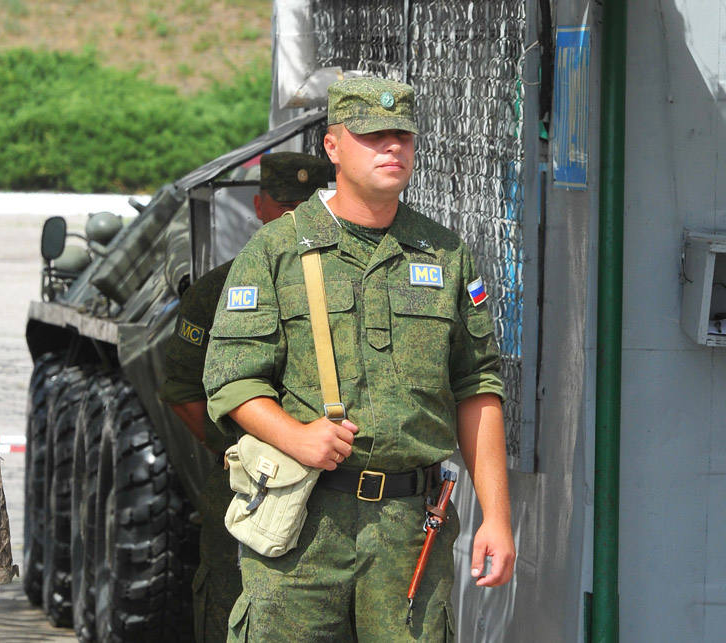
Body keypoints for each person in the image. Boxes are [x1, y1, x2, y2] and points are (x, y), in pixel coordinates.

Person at [203, 77, 515, 641]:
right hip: (303, 523)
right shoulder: (277, 250)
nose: (392, 148)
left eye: (403, 135)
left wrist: (497, 516)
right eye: (373, 135)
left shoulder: (445, 255)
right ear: (333, 146)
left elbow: (478, 388)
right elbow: (230, 379)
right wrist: (296, 437)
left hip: (410, 529)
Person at [158, 151, 335, 643]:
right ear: (259, 206)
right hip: (248, 487)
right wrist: (231, 448)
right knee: (233, 606)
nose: (293, 216)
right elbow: (182, 390)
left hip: (333, 484)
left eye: (307, 204)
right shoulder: (219, 289)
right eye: (284, 204)